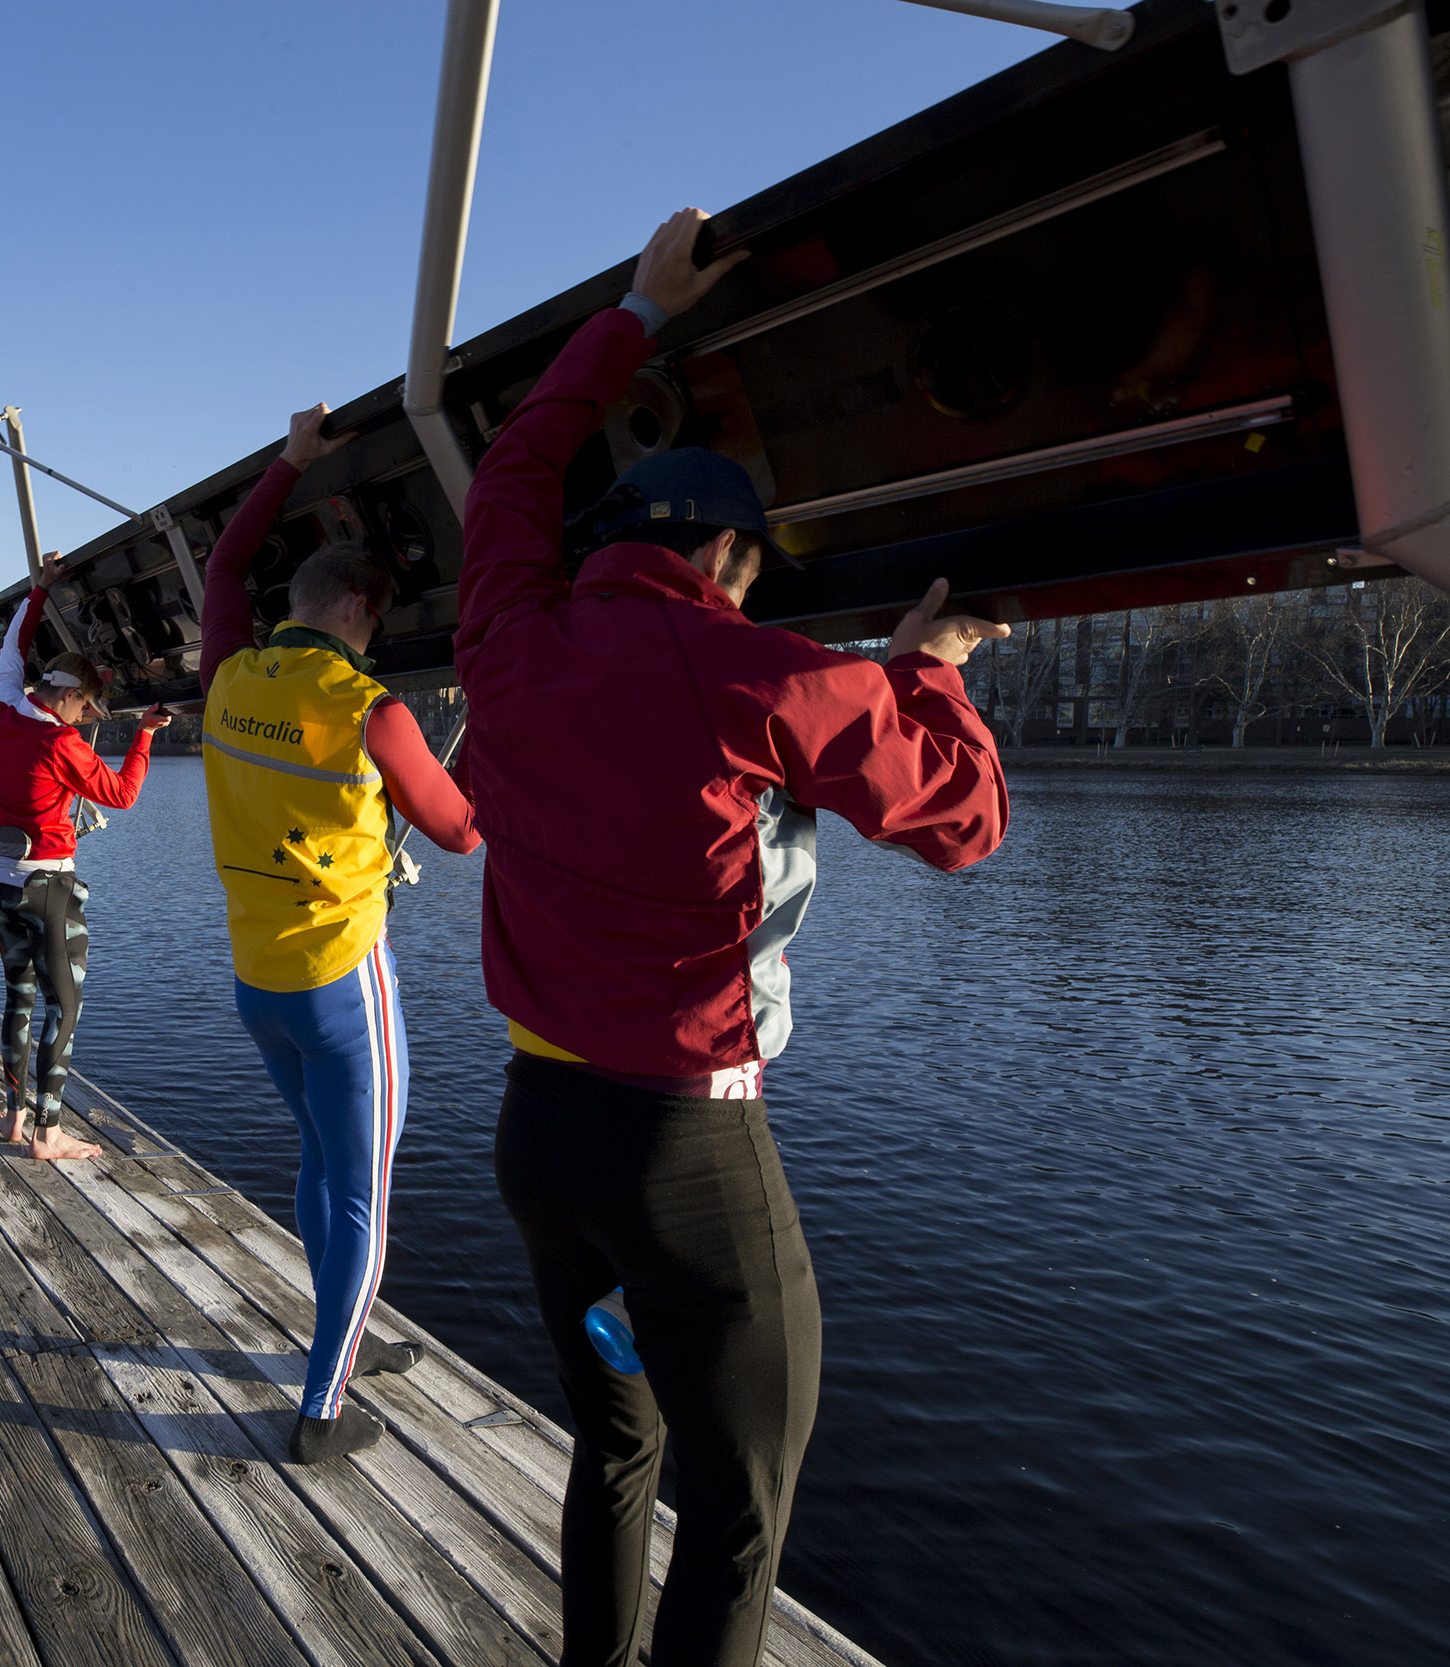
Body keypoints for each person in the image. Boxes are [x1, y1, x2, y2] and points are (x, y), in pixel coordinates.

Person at [460, 208, 1011, 1667]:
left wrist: (633, 311)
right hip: (686, 1155)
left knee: (615, 1449)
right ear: (726, 557)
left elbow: (512, 471)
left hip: (537, 1132)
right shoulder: (761, 668)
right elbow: (960, 822)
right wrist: (932, 673)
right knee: (741, 1506)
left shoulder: (506, 636)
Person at [199, 404, 484, 1465]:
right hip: (338, 985)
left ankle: (342, 1338)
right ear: (363, 609)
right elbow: (460, 832)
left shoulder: (228, 680)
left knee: (323, 1161)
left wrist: (290, 462)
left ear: (298, 606)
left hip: (255, 986)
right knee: (364, 1183)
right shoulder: (371, 711)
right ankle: (321, 1408)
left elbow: (222, 576)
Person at [0, 554, 171, 1161]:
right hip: (49, 885)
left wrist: (38, 590)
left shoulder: (2, 704)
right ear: (67, 695)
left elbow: (14, 641)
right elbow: (122, 794)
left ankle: (13, 1116)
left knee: (18, 995)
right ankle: (48, 1132)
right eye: (86, 706)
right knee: (65, 1005)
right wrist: (143, 735)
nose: (87, 717)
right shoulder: (59, 742)